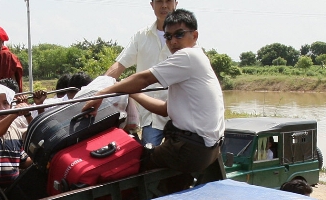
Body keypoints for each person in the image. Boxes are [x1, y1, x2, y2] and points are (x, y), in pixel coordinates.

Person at [84, 9, 224, 177]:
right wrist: (130, 92)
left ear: (194, 35)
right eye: (168, 37)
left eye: (179, 34)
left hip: (190, 149)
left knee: (133, 163)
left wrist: (102, 93)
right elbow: (165, 109)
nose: (173, 42)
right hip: (207, 150)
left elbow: (143, 79)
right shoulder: (198, 59)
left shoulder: (187, 56)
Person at [105, 0, 179, 147]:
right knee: (148, 160)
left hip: (181, 114)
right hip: (150, 114)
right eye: (159, 1)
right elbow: (120, 65)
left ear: (176, 4)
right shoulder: (141, 36)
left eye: (169, 0)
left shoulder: (183, 37)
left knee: (181, 160)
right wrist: (99, 89)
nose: (164, 5)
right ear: (152, 5)